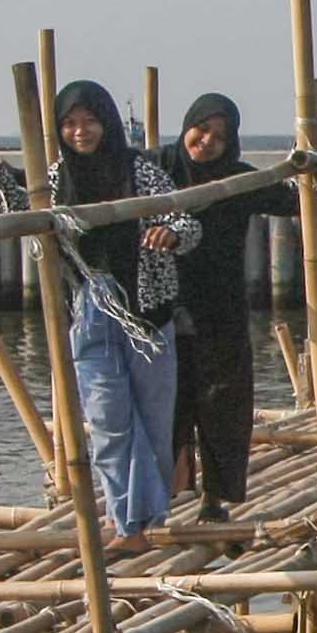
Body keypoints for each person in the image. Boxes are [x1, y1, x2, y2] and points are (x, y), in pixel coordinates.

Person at [49, 78, 198, 541]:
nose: (80, 132)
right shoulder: (55, 178)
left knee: (154, 420)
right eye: (70, 124)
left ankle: (144, 520)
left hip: (147, 312)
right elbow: (22, 209)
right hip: (92, 306)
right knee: (107, 419)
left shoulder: (140, 170)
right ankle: (126, 521)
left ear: (107, 123)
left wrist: (169, 234)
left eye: (89, 121)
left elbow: (184, 218)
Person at [161, 91, 291, 518]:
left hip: (222, 312)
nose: (207, 141)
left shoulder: (237, 179)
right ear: (187, 125)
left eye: (219, 135)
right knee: (164, 404)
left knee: (224, 410)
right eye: (202, 129)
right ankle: (165, 492)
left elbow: (290, 199)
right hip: (161, 309)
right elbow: (98, 184)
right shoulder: (156, 168)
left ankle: (216, 501)